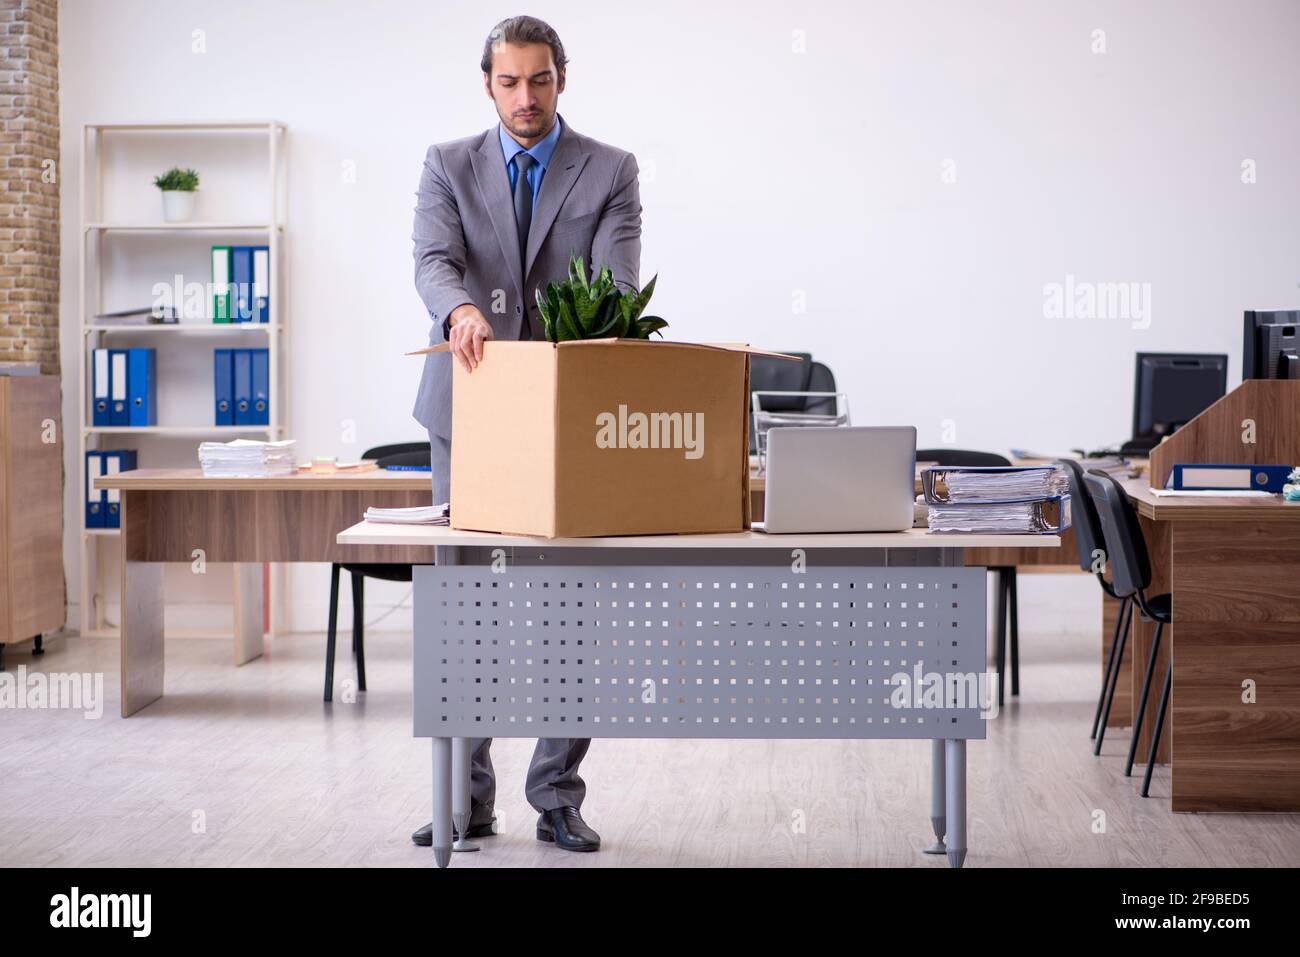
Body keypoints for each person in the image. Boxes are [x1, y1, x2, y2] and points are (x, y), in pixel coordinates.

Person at [409, 15, 642, 852]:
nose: (525, 97)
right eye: (509, 82)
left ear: (562, 79)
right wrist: (461, 306)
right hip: (467, 412)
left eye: (539, 80)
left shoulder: (611, 169)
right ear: (487, 85)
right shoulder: (447, 164)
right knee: (463, 612)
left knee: (569, 612)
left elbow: (615, 282)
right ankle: (464, 800)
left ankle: (556, 795)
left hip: (566, 420)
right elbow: (433, 260)